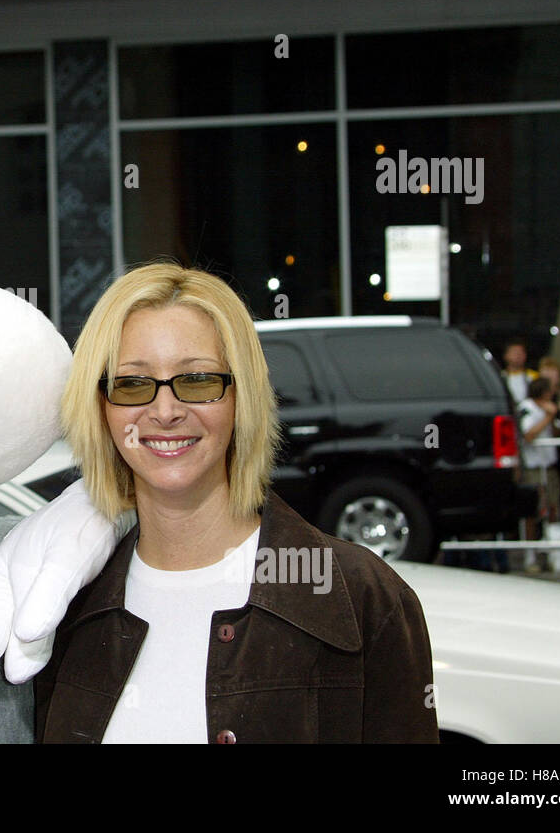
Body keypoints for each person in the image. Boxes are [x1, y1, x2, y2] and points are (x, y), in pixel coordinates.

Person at [30, 262, 438, 743]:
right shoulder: (59, 605)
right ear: (101, 408)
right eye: (133, 384)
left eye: (198, 380)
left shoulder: (359, 598)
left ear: (240, 396)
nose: (164, 411)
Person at [516, 377, 560, 570]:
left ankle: (551, 554)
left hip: (549, 467)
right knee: (532, 512)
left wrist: (555, 416)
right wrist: (548, 417)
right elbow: (528, 434)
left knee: (552, 509)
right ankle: (530, 557)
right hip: (533, 469)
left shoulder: (551, 407)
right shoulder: (526, 408)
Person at [500, 340, 536, 405]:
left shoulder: (534, 377)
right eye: (515, 352)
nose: (518, 355)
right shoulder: (500, 376)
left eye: (521, 352)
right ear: (506, 355)